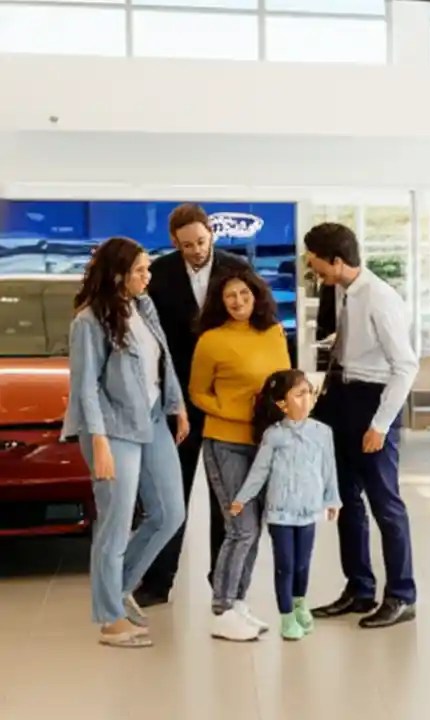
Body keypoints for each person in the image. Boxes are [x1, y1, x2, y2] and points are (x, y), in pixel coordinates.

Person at [61, 236, 189, 648]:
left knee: (170, 513)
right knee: (116, 524)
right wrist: (97, 441)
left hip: (151, 421)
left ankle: (119, 590)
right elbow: (85, 389)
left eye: (147, 269)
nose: (147, 277)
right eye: (139, 271)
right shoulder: (88, 320)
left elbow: (161, 362)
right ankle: (110, 619)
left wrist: (177, 407)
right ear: (117, 274)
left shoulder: (144, 308)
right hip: (112, 428)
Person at [303, 222, 418, 629]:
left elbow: (405, 367)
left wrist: (381, 425)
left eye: (314, 260)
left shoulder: (380, 298)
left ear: (336, 260)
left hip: (374, 401)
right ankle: (359, 589)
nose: (311, 267)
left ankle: (402, 595)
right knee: (346, 499)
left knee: (385, 503)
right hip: (343, 397)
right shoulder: (339, 290)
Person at [136, 202, 251, 607]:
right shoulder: (161, 274)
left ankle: (224, 585)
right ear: (175, 243)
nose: (197, 250)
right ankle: (157, 582)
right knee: (171, 495)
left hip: (226, 402)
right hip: (177, 400)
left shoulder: (236, 267)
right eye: (187, 245)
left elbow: (254, 323)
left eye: (201, 241)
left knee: (226, 500)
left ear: (212, 235)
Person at [188, 267, 291, 641]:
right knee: (240, 528)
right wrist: (237, 412)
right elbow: (198, 393)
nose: (238, 302)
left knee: (255, 527)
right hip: (225, 442)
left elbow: (285, 380)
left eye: (244, 295)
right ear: (220, 301)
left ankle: (239, 602)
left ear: (256, 296)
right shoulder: (211, 341)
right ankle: (223, 607)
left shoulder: (274, 333)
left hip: (264, 443)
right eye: (230, 296)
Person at [231, 369, 340, 641]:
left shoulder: (323, 432)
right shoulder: (274, 436)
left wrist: (332, 499)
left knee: (303, 563)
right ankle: (287, 615)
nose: (306, 399)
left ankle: (301, 603)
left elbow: (329, 469)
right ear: (282, 404)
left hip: (308, 510)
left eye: (309, 392)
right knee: (286, 565)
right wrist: (241, 498)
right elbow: (260, 471)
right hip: (280, 512)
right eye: (298, 394)